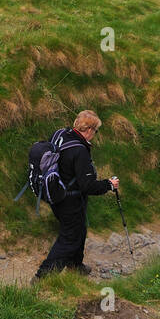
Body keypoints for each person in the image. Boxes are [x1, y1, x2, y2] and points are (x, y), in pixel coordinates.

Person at [35, 111, 118, 278]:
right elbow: (87, 185)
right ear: (89, 129)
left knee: (79, 230)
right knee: (69, 238)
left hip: (56, 193)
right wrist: (109, 184)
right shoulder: (79, 151)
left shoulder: (60, 133)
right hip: (69, 200)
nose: (95, 135)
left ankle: (75, 265)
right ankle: (42, 277)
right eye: (96, 131)